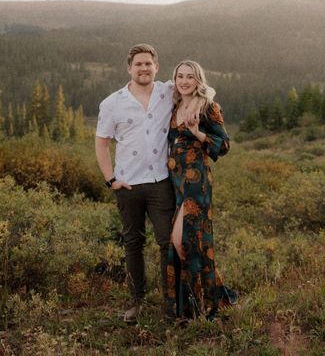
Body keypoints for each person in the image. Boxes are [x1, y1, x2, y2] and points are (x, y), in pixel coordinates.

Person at [95, 44, 175, 323]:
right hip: (128, 184)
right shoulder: (112, 103)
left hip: (160, 182)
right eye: (138, 64)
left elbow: (202, 90)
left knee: (168, 242)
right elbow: (101, 142)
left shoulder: (168, 92)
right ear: (129, 68)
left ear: (157, 67)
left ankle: (170, 302)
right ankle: (136, 301)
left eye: (148, 64)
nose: (143, 68)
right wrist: (111, 179)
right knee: (133, 243)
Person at [165, 60, 237, 321]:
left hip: (197, 183)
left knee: (182, 240)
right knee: (190, 242)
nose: (184, 81)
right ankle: (193, 304)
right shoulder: (175, 105)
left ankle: (201, 303)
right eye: (180, 76)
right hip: (177, 183)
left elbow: (225, 144)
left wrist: (199, 134)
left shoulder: (207, 106)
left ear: (198, 80)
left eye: (190, 77)